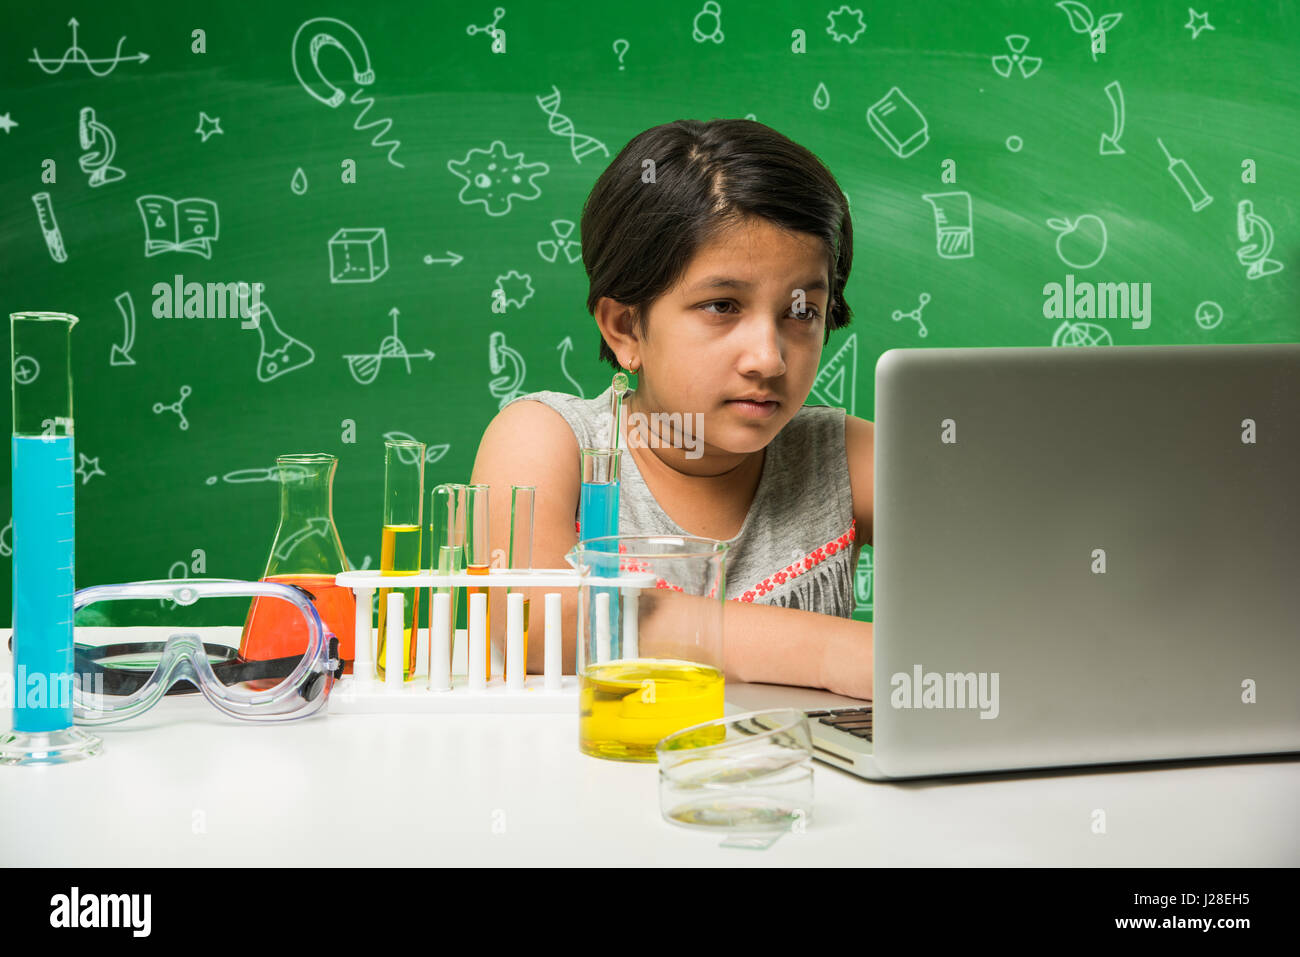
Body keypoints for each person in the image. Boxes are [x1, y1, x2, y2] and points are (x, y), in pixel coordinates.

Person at [471, 118, 873, 699]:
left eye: (802, 311)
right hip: (604, 776)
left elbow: (1022, 547)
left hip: (796, 781)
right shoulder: (548, 440)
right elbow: (536, 623)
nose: (768, 358)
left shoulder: (841, 454)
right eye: (721, 305)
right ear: (625, 327)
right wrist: (833, 651)